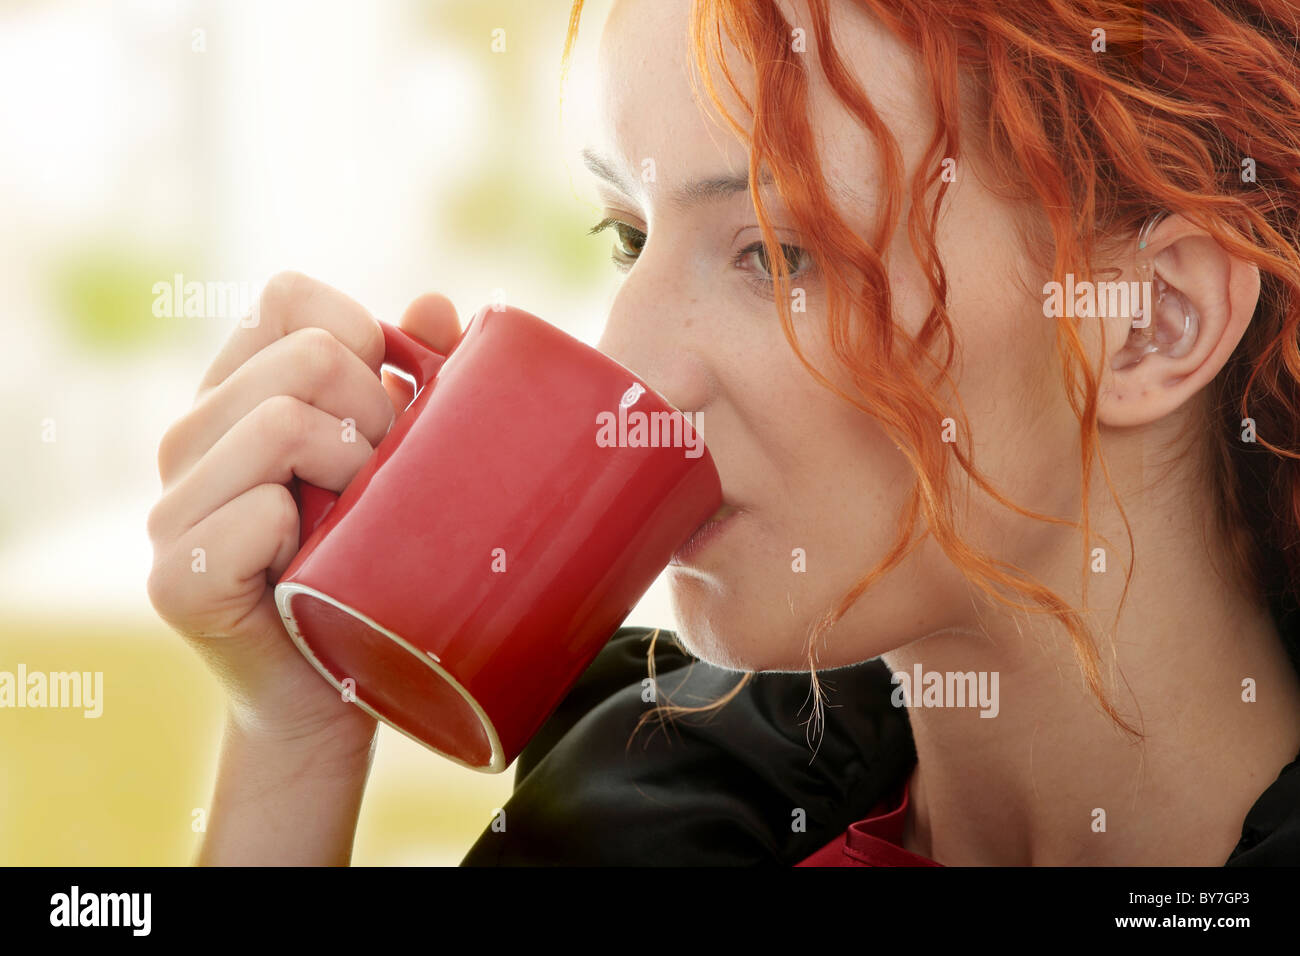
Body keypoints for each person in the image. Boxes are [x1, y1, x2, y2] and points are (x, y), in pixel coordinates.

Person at [146, 0, 1300, 866]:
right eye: (624, 233)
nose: (626, 369)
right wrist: (293, 741)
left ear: (1148, 322)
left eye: (779, 252)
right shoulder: (632, 811)